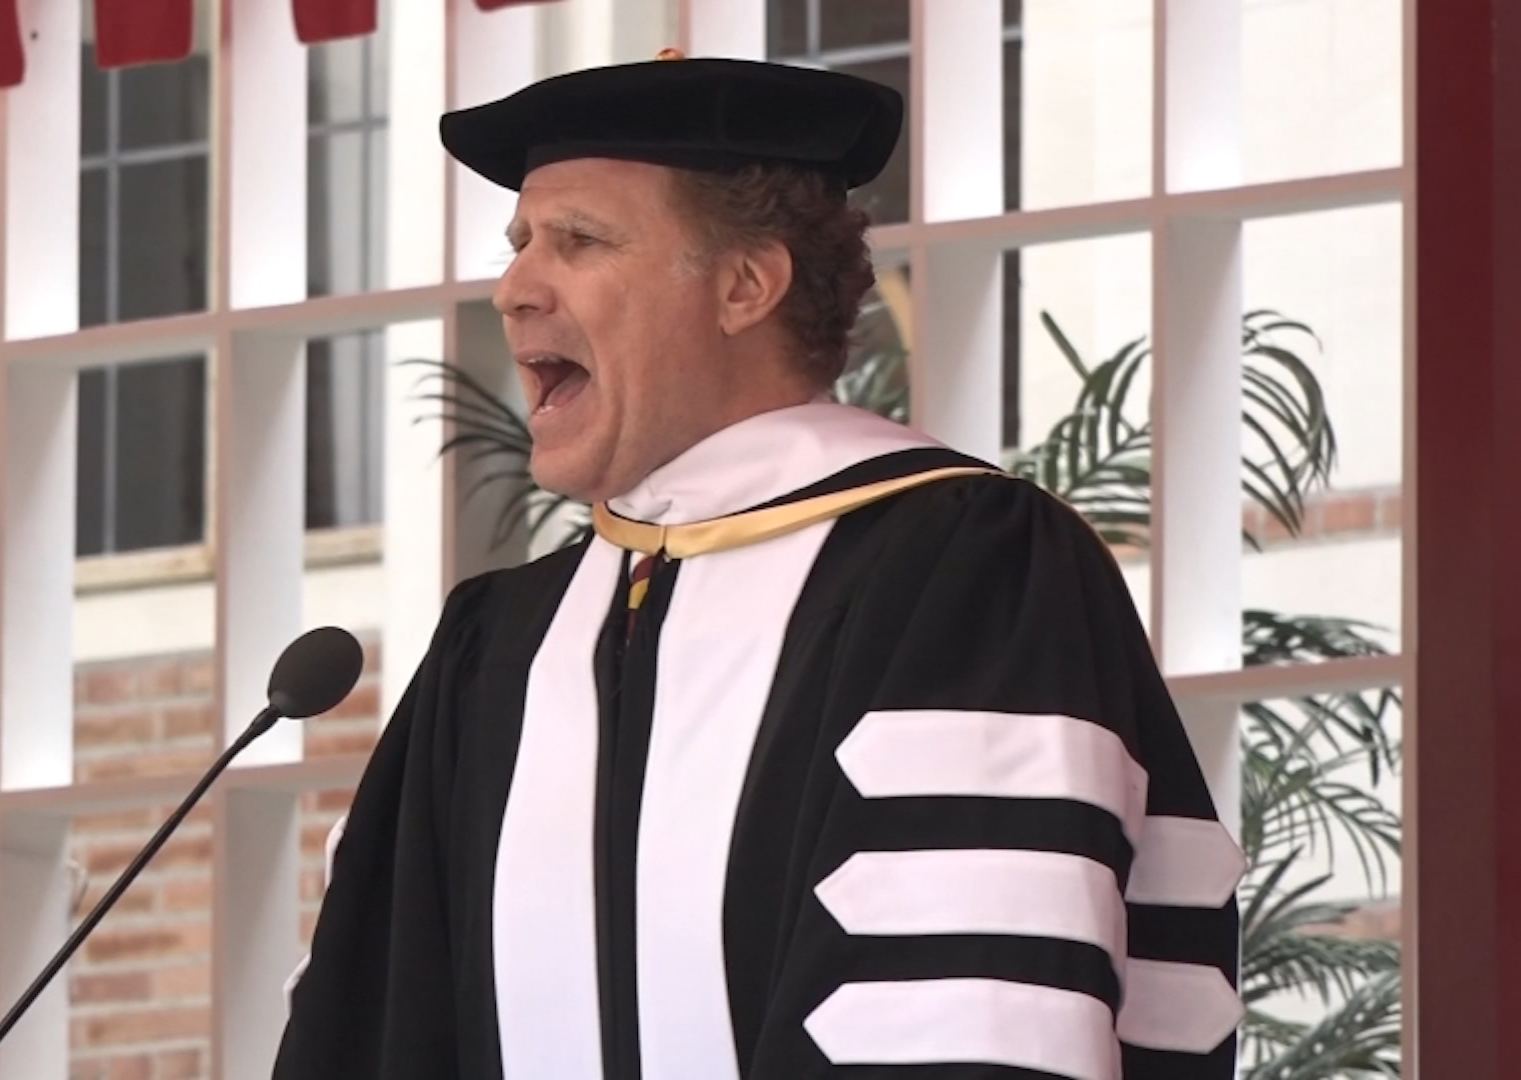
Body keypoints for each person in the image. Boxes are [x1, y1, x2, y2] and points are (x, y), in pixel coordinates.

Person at [274, 54, 1244, 1080]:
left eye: (579, 241)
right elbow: (377, 1026)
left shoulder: (961, 572)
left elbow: (964, 1020)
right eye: (519, 244)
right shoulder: (500, 648)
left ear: (745, 285)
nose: (514, 288)